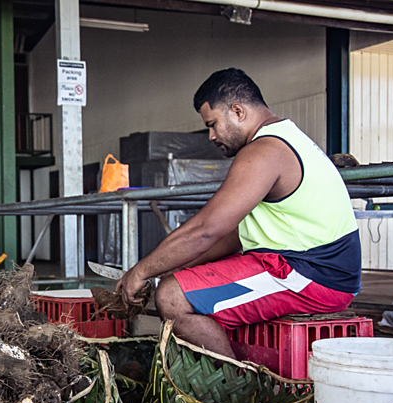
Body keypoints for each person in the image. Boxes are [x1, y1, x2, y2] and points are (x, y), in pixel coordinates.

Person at [115, 68, 360, 358]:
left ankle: (234, 391)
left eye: (213, 124)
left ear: (237, 111)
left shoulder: (264, 150)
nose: (211, 135)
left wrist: (142, 271)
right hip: (307, 266)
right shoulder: (285, 137)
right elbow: (233, 236)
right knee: (185, 280)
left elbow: (207, 228)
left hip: (311, 274)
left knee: (171, 296)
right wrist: (172, 266)